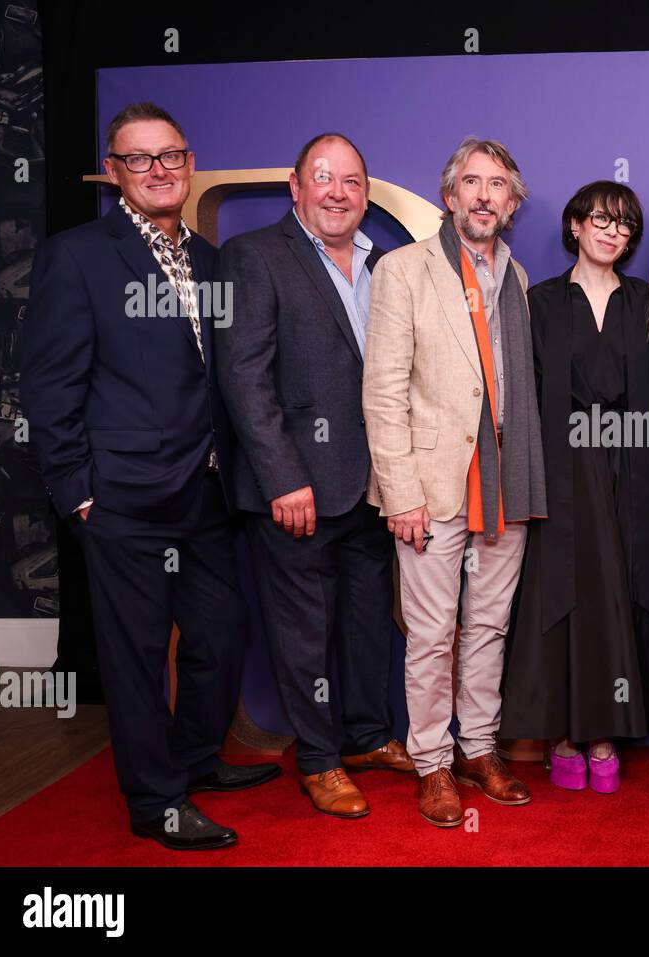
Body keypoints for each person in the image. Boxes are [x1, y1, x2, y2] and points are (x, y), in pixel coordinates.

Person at [20, 102, 279, 850]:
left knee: (221, 634)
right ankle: (156, 799)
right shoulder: (78, 256)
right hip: (122, 499)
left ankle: (196, 760)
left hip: (204, 489)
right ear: (114, 173)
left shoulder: (208, 257)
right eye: (140, 159)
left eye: (170, 156)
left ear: (190, 164)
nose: (158, 170)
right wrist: (79, 493)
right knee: (136, 657)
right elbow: (49, 386)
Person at [217, 133, 411, 820]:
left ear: (365, 192)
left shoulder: (382, 264)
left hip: (368, 486)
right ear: (295, 187)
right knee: (303, 631)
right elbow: (242, 376)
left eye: (352, 180)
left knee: (365, 622)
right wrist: (281, 476)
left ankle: (365, 736)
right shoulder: (255, 256)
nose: (338, 192)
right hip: (295, 487)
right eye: (323, 178)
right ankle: (321, 759)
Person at [363, 137, 547, 828]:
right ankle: (433, 762)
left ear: (513, 202)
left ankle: (478, 749)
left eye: (498, 184)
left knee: (489, 627)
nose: (484, 195)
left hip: (508, 482)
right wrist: (401, 490)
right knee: (432, 633)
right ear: (450, 196)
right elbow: (382, 392)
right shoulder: (404, 270)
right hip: (432, 485)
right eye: (471, 182)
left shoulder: (518, 278)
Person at [500, 181, 649, 794]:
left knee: (619, 593)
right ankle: (565, 735)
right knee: (565, 597)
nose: (612, 232)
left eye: (624, 225)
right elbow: (520, 396)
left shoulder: (646, 301)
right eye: (599, 220)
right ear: (575, 225)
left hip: (631, 467)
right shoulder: (540, 301)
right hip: (560, 467)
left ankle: (604, 733)